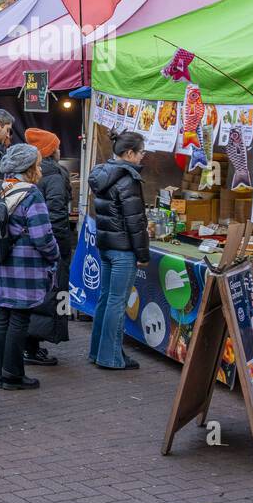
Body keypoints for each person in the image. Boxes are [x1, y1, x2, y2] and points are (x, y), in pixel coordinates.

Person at [0, 144, 60, 390]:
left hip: (2, 259)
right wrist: (54, 255)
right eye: (38, 164)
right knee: (19, 317)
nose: (40, 169)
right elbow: (42, 235)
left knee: (3, 315)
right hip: (26, 264)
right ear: (29, 168)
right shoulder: (31, 194)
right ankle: (13, 374)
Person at [88, 130, 150, 371]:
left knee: (106, 299)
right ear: (129, 153)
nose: (143, 156)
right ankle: (111, 357)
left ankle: (98, 352)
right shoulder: (128, 179)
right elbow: (135, 222)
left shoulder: (103, 174)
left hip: (106, 245)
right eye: (141, 152)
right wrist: (143, 255)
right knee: (116, 301)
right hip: (123, 249)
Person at [24, 128, 74, 366]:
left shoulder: (39, 173)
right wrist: (60, 246)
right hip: (51, 243)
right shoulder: (54, 176)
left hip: (39, 243)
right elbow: (56, 213)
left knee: (39, 296)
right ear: (51, 150)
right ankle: (31, 346)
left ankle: (32, 344)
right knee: (48, 296)